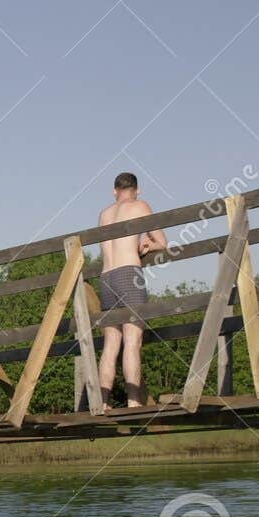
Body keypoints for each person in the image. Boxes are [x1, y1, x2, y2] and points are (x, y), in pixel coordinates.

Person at [97, 173, 165, 410]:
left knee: (111, 342)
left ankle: (103, 403)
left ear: (114, 191)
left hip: (106, 276)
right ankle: (134, 401)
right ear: (137, 190)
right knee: (132, 340)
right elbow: (162, 242)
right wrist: (147, 245)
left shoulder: (104, 214)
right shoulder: (140, 206)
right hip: (128, 273)